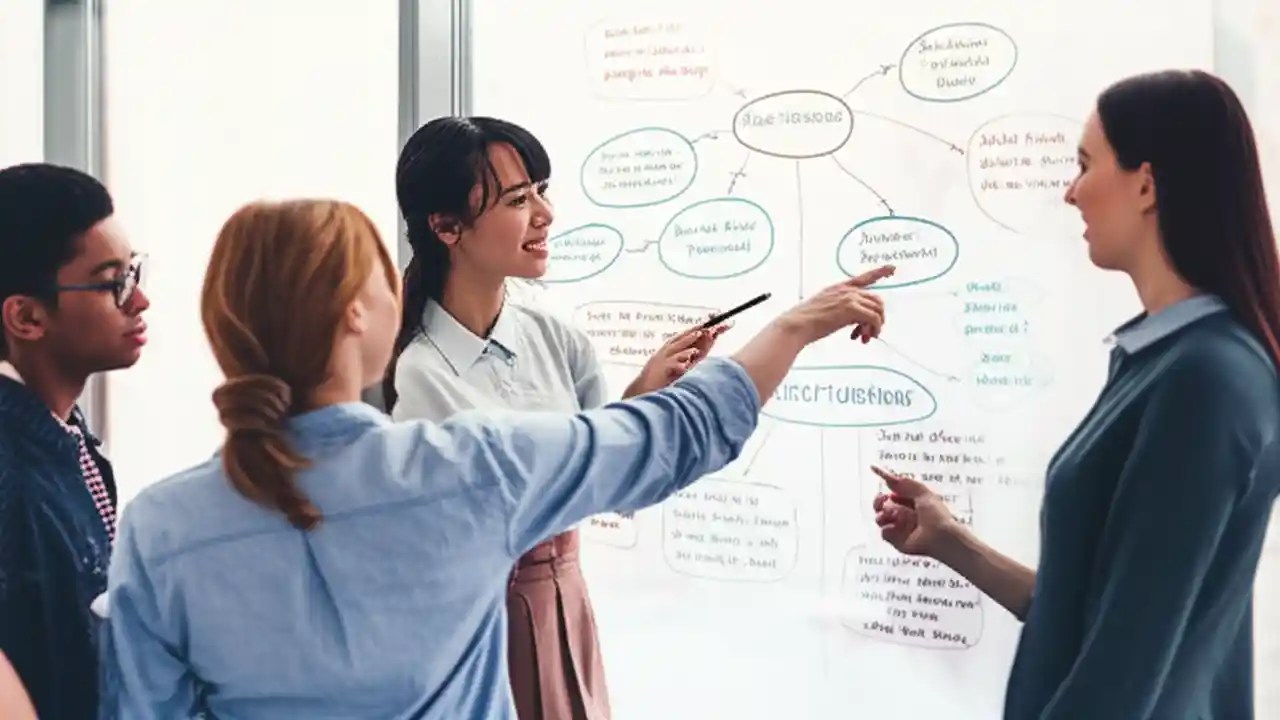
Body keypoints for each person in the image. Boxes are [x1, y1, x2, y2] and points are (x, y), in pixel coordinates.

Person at [98, 197, 893, 718]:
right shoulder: (470, 468)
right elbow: (677, 434)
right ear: (354, 314)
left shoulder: (160, 526)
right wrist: (792, 327)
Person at [872, 69, 1280, 719]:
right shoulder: (1162, 361)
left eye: (1086, 164)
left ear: (1146, 184)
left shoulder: (1207, 381)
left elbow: (1122, 672)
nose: (1071, 192)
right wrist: (951, 541)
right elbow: (1096, 618)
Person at [384, 115, 730, 720]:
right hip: (473, 617)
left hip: (565, 599)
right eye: (519, 199)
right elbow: (508, 509)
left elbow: (614, 489)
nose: (545, 214)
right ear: (445, 227)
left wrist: (645, 395)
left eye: (541, 191)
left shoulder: (553, 331)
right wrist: (623, 431)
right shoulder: (415, 372)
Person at [0, 163, 150, 719]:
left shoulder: (60, 433)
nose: (138, 301)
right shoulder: (11, 473)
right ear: (27, 316)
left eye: (133, 272)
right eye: (114, 283)